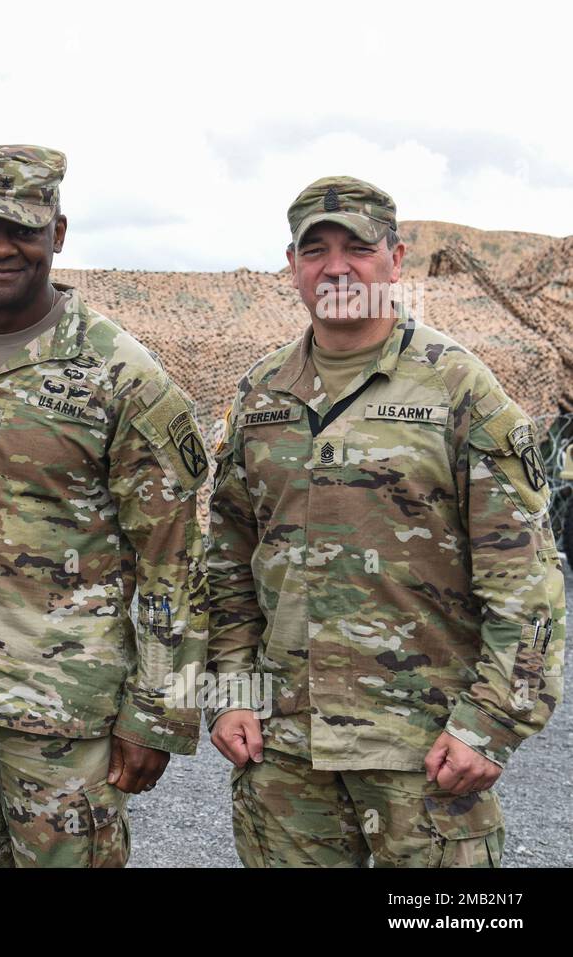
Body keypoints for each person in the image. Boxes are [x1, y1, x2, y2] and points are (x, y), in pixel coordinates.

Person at [206, 175, 566, 867]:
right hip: (285, 754)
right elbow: (224, 564)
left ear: (395, 260)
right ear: (292, 266)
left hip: (425, 753)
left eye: (358, 248)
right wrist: (227, 694)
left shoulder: (458, 389)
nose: (336, 267)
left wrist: (490, 723)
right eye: (316, 250)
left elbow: (525, 581)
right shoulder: (261, 396)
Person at [0, 145, 209, 867]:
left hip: (63, 722)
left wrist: (156, 713)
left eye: (24, 230)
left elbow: (173, 561)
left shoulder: (120, 374)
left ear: (56, 234)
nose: (2, 247)